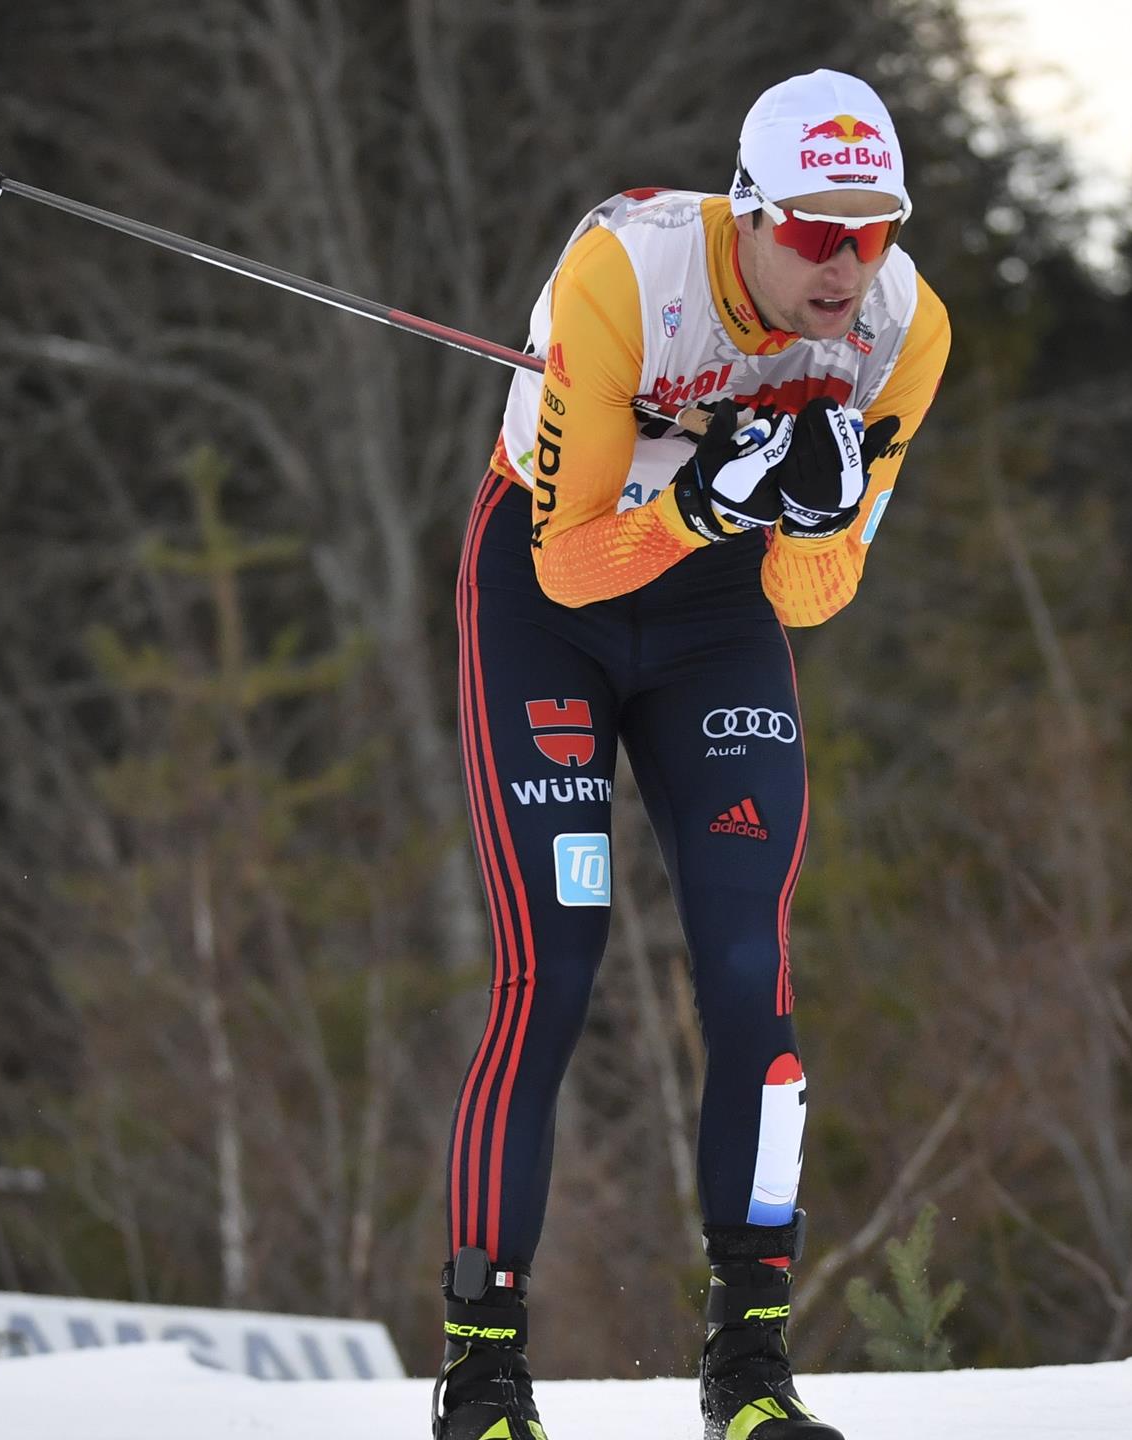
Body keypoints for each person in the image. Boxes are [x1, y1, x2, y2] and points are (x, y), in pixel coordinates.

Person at [436, 68, 950, 1440]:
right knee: (556, 960)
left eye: (879, 229)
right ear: (754, 213)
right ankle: (483, 1371)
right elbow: (574, 558)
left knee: (747, 971)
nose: (850, 268)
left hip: (721, 620)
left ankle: (751, 1370)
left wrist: (813, 525)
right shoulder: (628, 274)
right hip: (553, 603)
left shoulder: (905, 329)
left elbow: (810, 602)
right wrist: (716, 500)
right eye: (820, 234)